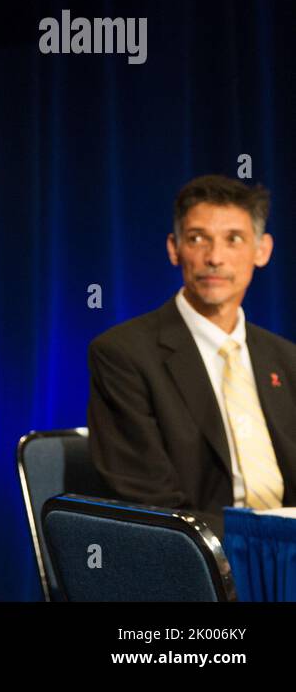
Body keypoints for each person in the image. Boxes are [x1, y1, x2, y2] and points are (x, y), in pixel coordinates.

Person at [88, 174, 296, 536]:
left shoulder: (286, 360)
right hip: (202, 563)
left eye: (233, 239)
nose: (214, 258)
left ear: (262, 250)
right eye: (199, 239)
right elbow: (150, 507)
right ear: (175, 248)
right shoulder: (124, 355)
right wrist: (264, 539)